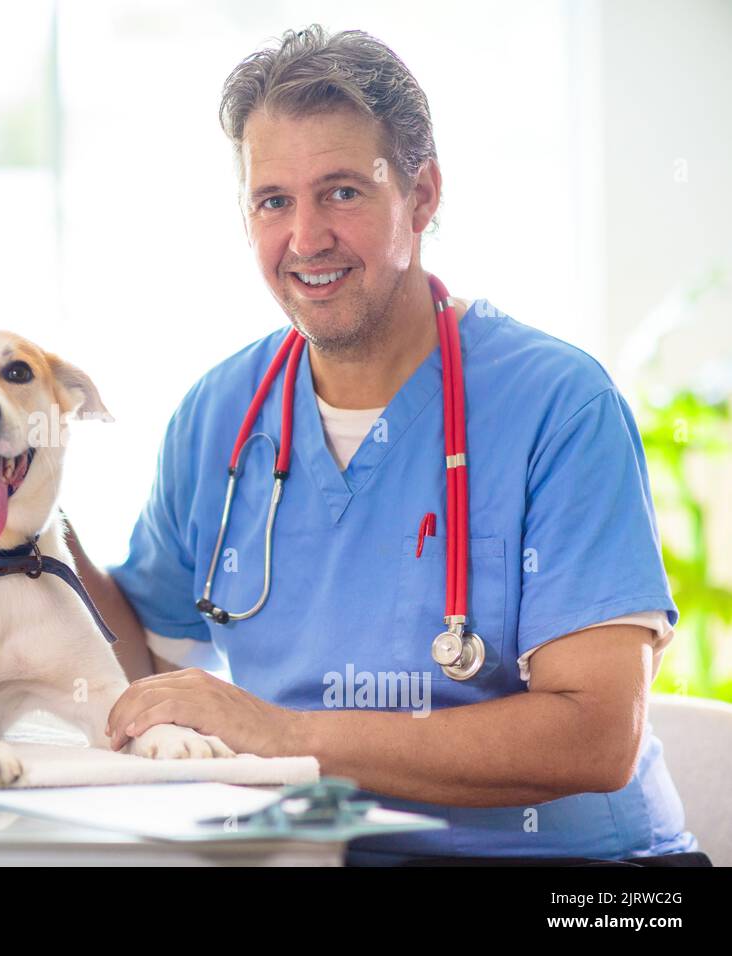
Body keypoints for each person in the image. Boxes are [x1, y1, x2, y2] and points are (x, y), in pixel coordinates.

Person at [64, 25, 706, 865]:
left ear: (423, 195)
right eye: (273, 202)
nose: (305, 239)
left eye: (341, 193)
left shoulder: (557, 405)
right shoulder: (220, 414)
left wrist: (282, 734)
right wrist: (38, 530)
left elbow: (593, 736)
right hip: (318, 856)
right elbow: (144, 660)